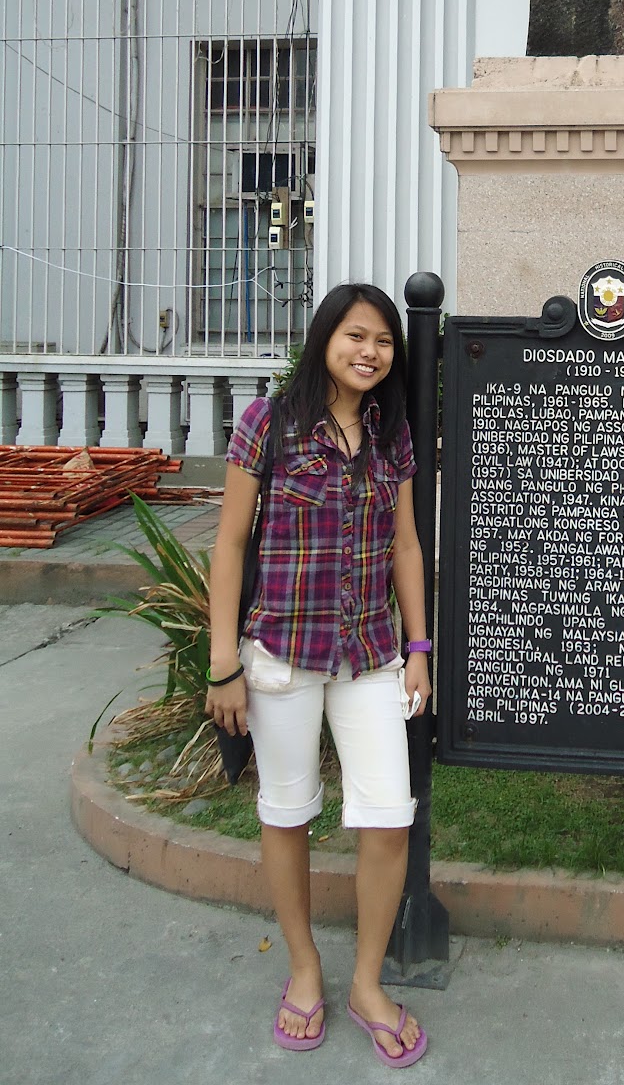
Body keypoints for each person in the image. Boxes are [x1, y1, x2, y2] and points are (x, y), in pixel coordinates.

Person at [205, 282, 431, 1067]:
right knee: (287, 811)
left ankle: (367, 983)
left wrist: (420, 648)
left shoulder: (390, 434)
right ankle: (305, 971)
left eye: (384, 342)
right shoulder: (268, 425)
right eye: (355, 336)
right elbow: (231, 544)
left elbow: (406, 547)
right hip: (280, 657)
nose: (369, 352)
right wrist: (222, 661)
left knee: (388, 815)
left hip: (370, 655)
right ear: (325, 339)